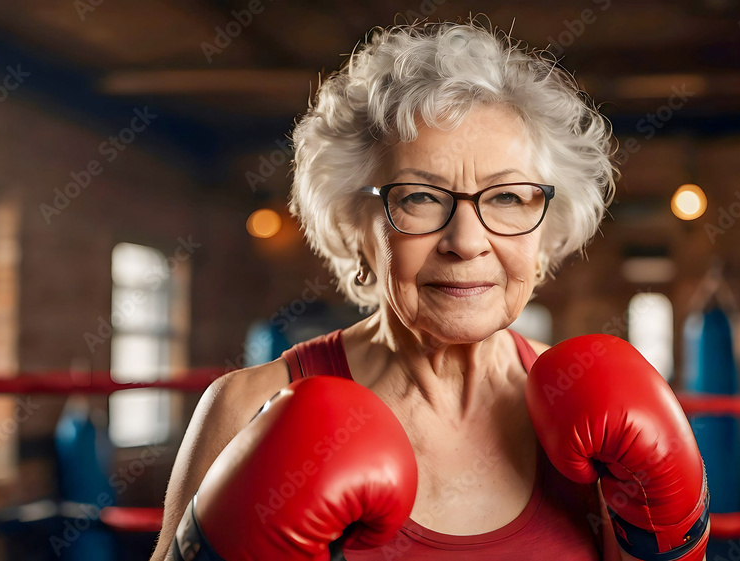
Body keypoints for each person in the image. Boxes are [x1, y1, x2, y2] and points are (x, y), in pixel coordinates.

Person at [151, 20, 708, 561]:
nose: (466, 241)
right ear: (356, 227)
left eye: (508, 198)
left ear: (544, 235)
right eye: (420, 197)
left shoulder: (599, 418)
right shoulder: (247, 409)